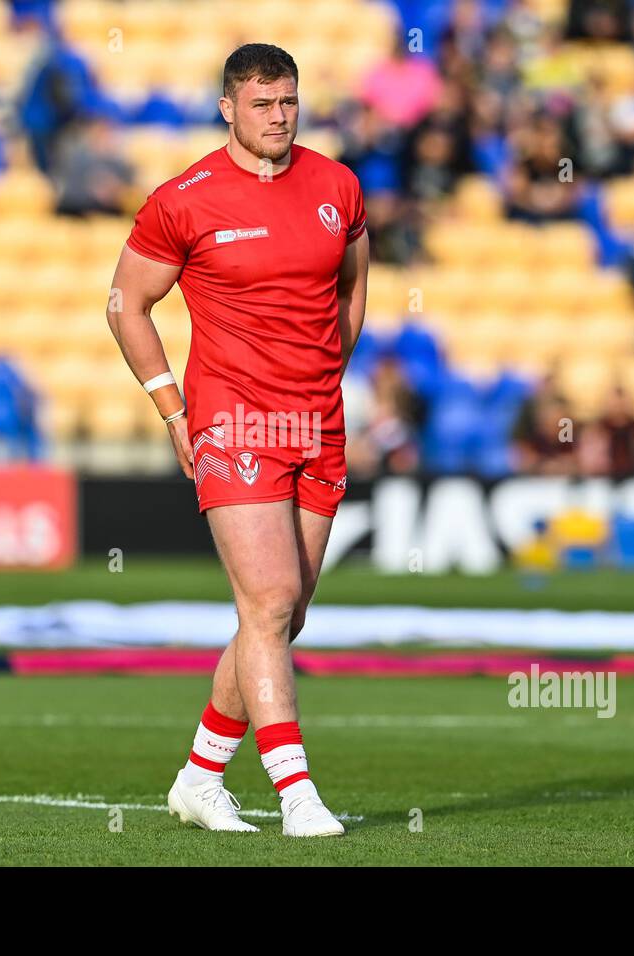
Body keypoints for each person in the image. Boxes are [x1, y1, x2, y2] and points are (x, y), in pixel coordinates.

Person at [106, 44, 368, 837]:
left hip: (316, 420)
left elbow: (352, 291)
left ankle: (198, 775)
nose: (278, 117)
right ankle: (297, 794)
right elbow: (126, 302)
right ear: (228, 107)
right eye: (262, 104)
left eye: (288, 102)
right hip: (233, 419)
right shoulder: (183, 198)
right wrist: (172, 408)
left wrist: (320, 381)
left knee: (286, 616)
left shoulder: (337, 185)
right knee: (269, 601)